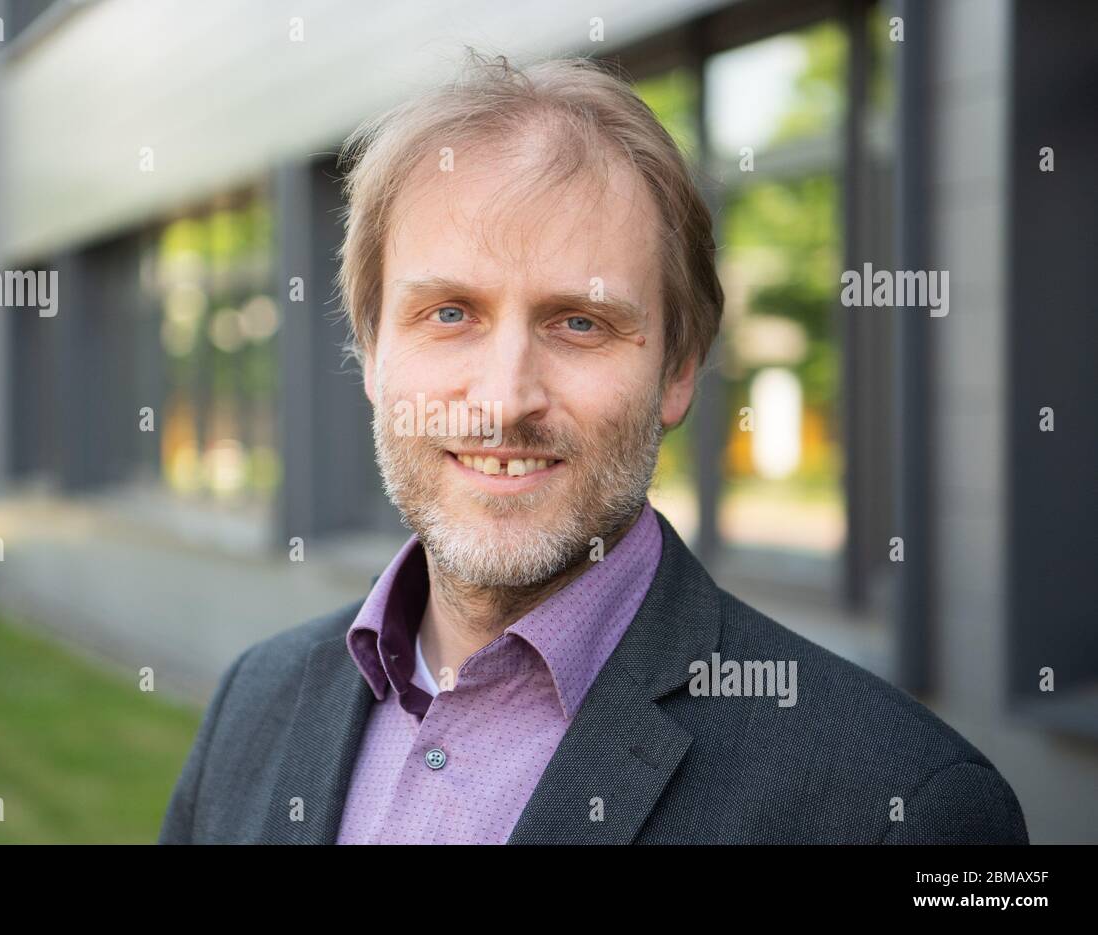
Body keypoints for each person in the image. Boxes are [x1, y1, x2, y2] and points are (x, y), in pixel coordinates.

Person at [159, 52, 1027, 845]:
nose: (505, 400)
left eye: (580, 322)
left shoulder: (905, 805)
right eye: (450, 314)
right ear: (373, 351)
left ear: (678, 368)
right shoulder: (254, 700)